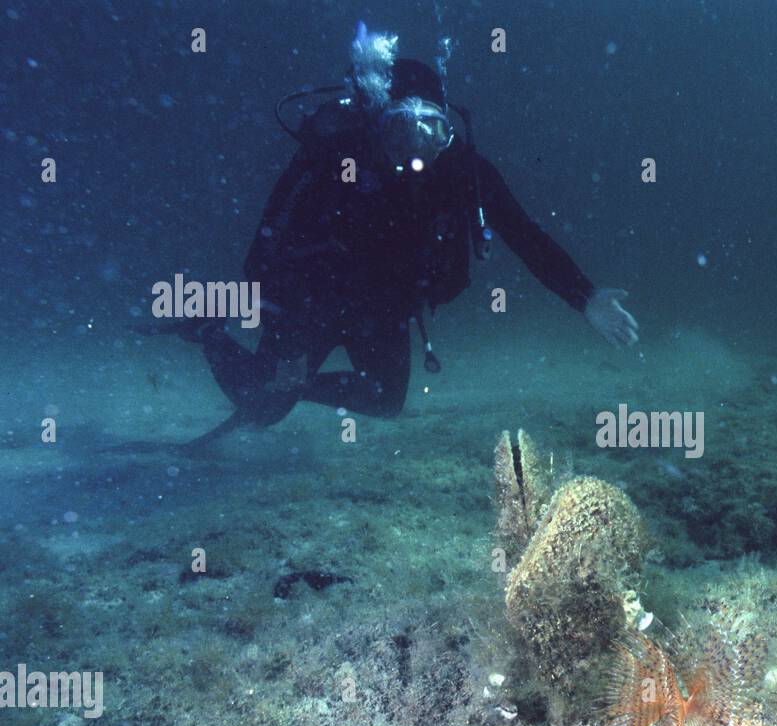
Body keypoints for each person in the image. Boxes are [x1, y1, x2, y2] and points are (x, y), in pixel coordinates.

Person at [140, 25, 638, 446]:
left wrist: (585, 297)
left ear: (448, 130)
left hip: (383, 306)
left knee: (384, 399)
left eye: (430, 131)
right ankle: (207, 330)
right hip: (311, 299)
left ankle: (289, 385)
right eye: (402, 130)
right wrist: (276, 312)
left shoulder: (462, 171)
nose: (416, 151)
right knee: (262, 408)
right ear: (379, 123)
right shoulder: (339, 159)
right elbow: (267, 247)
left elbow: (525, 235)